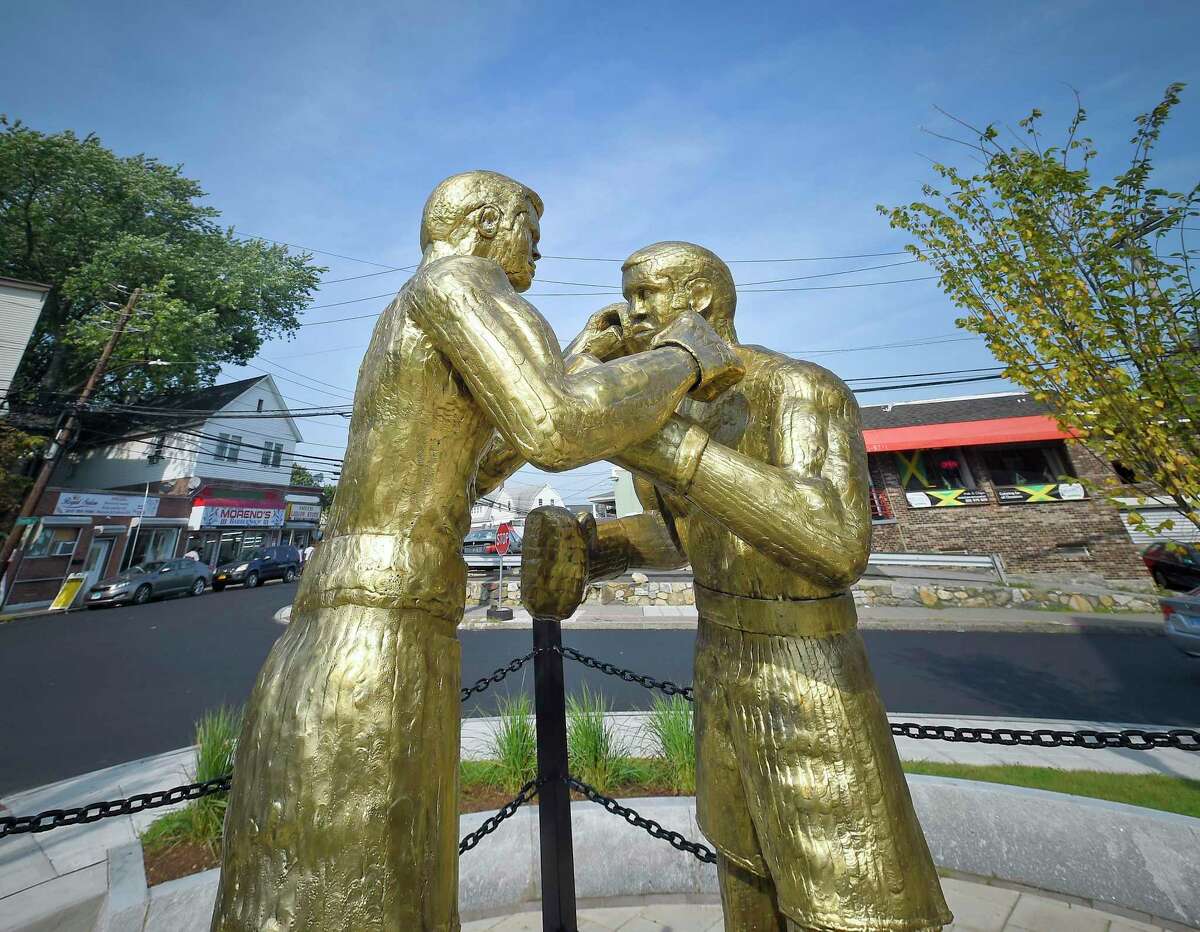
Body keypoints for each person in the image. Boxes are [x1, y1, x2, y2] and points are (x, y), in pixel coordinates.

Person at [210, 176, 741, 931]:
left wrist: (582, 359)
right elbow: (555, 431)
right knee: (362, 895)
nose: (538, 244)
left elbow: (481, 463)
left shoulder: (430, 296)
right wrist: (684, 357)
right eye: (529, 225)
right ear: (488, 222)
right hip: (376, 632)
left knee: (379, 886)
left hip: (374, 621)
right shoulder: (464, 282)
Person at [530, 242, 952, 931]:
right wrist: (599, 549)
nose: (629, 314)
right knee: (745, 871)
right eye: (625, 295)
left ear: (699, 301)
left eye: (644, 295)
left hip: (807, 674)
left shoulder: (796, 389)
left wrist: (669, 450)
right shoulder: (672, 409)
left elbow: (835, 542)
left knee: (849, 895)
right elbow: (697, 532)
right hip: (722, 661)